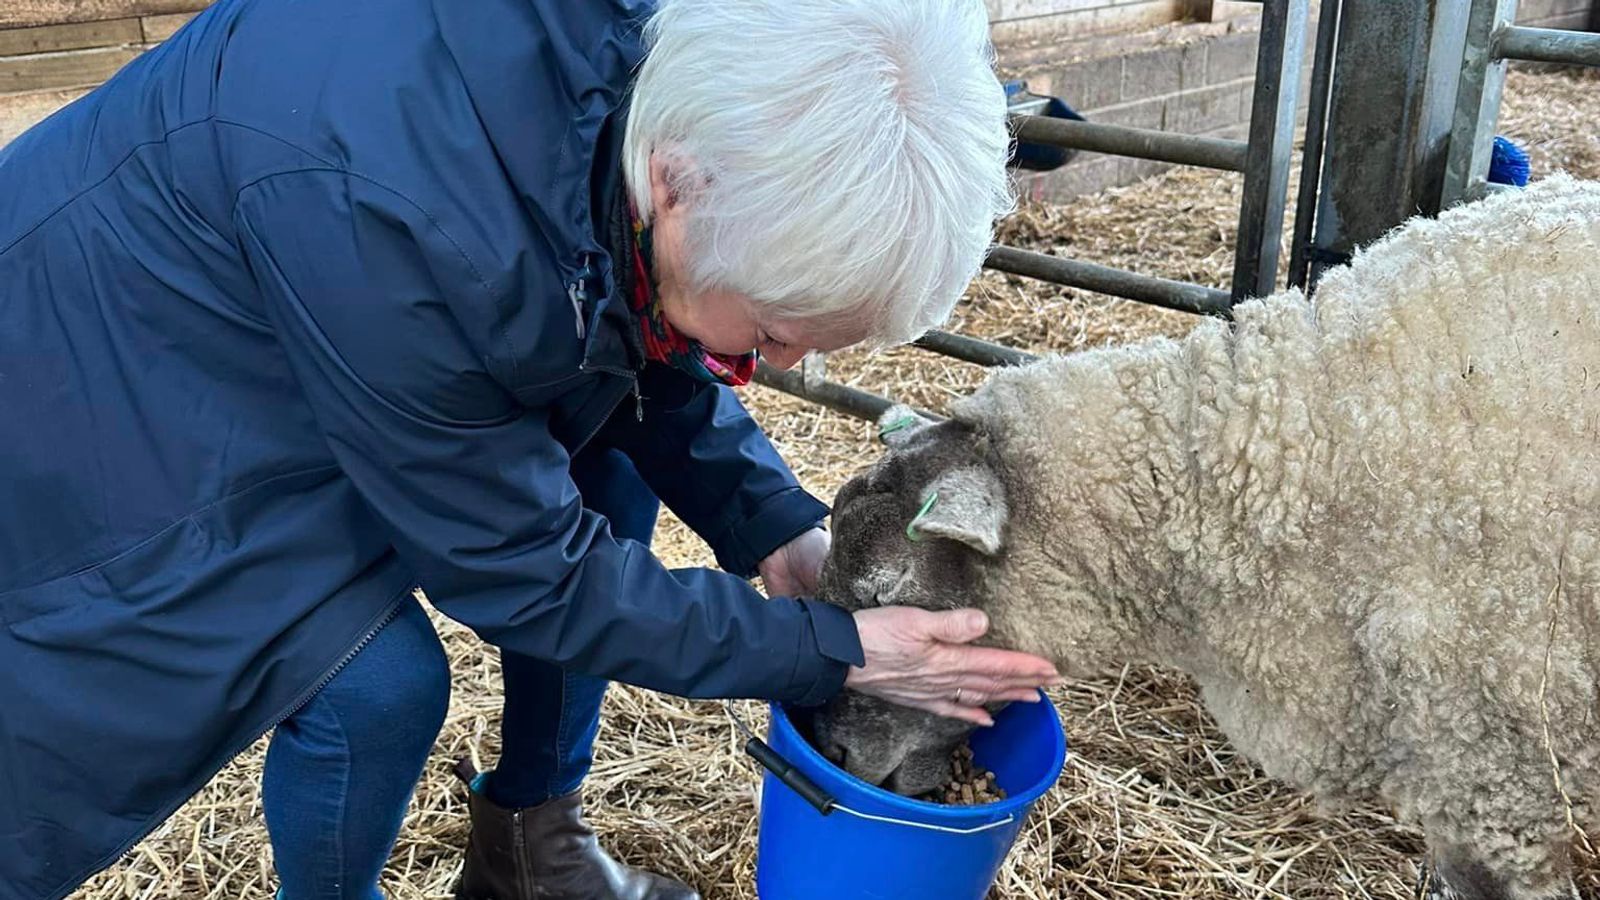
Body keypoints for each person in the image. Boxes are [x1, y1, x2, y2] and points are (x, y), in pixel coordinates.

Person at [0, 0, 1060, 898]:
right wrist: (835, 651)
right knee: (373, 686)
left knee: (605, 451)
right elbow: (522, 573)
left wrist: (772, 528)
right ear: (678, 184)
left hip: (299, 298)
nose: (783, 360)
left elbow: (622, 317)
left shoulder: (679, 76)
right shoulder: (406, 219)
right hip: (104, 378)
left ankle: (529, 841)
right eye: (778, 333)